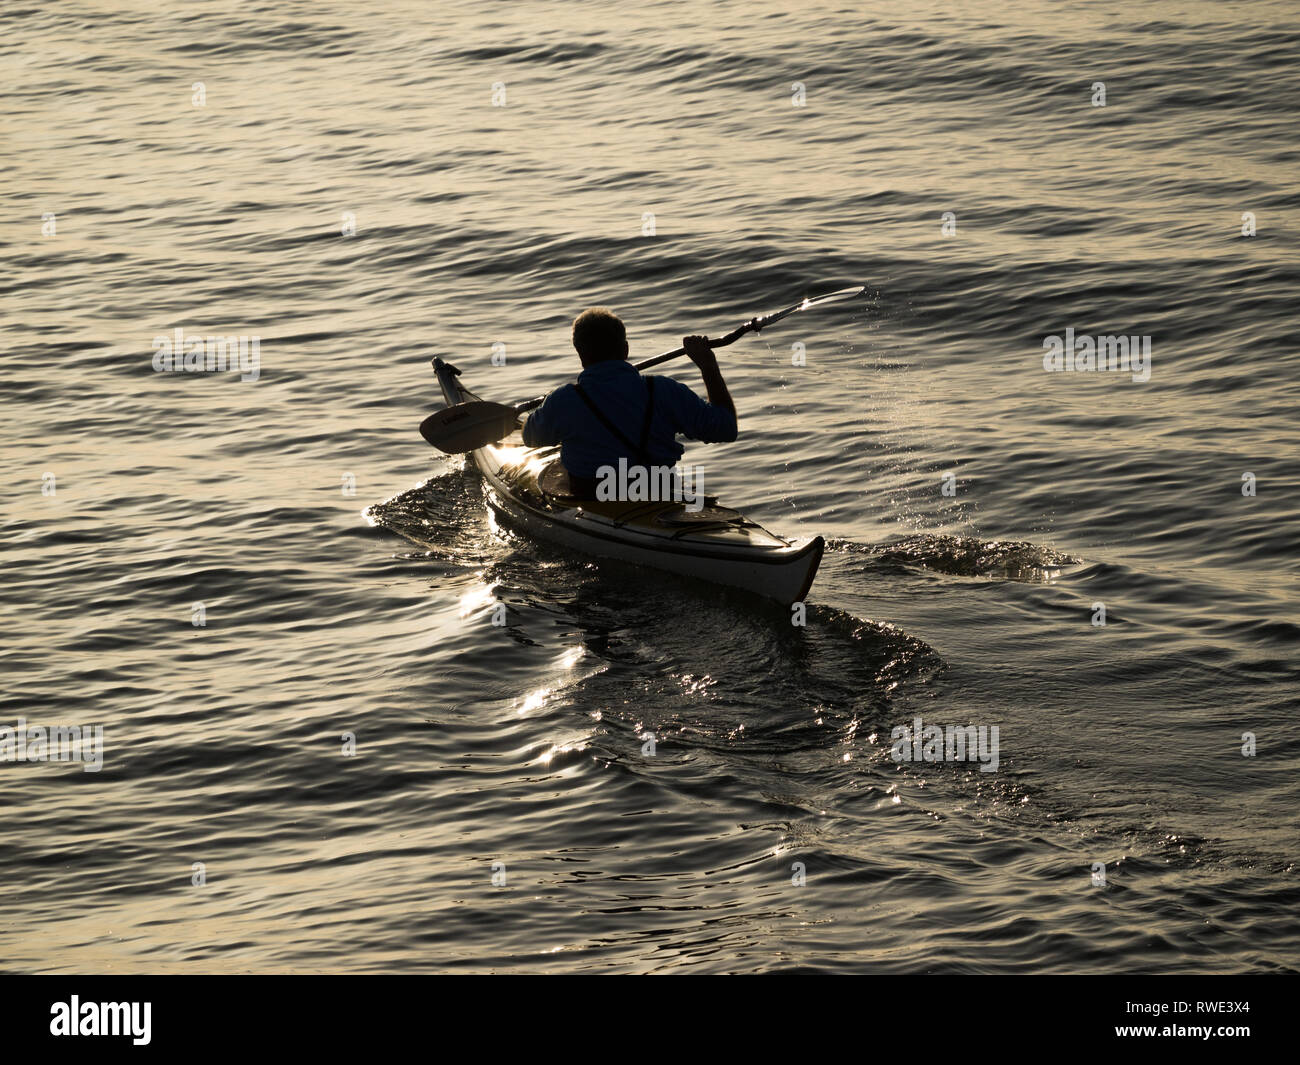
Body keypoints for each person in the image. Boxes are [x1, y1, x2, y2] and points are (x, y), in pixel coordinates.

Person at [522, 307, 738, 500]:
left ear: (580, 354)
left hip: (592, 498)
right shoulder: (664, 390)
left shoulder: (564, 400)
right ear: (625, 350)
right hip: (659, 493)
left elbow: (530, 437)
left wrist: (550, 402)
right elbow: (726, 428)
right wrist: (708, 366)